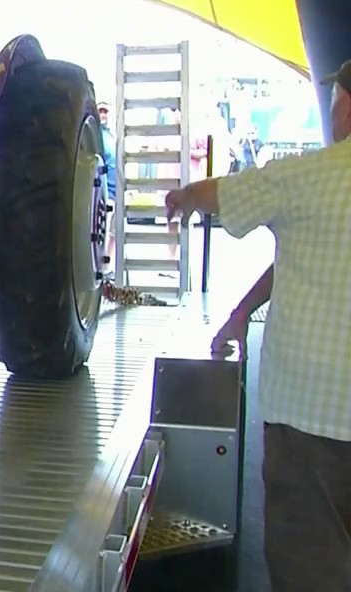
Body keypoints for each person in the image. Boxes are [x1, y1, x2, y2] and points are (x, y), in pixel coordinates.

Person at [164, 59, 351, 591]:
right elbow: (299, 255)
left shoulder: (308, 176)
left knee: (307, 563)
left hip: (310, 415)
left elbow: (223, 193)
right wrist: (243, 312)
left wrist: (182, 197)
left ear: (345, 107)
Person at [98, 102, 119, 275]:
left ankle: (108, 266)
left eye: (106, 110)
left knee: (114, 231)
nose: (103, 114)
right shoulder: (96, 137)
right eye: (101, 110)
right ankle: (102, 267)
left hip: (116, 192)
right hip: (106, 193)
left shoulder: (111, 135)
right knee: (103, 232)